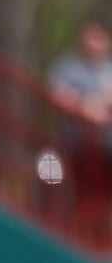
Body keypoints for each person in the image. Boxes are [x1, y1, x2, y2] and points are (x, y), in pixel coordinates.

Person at [47, 21, 112, 240]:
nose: (92, 43)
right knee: (78, 194)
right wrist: (84, 107)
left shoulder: (109, 70)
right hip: (77, 143)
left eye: (97, 38)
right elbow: (58, 96)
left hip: (108, 144)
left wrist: (104, 102)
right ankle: (75, 235)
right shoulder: (67, 68)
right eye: (88, 37)